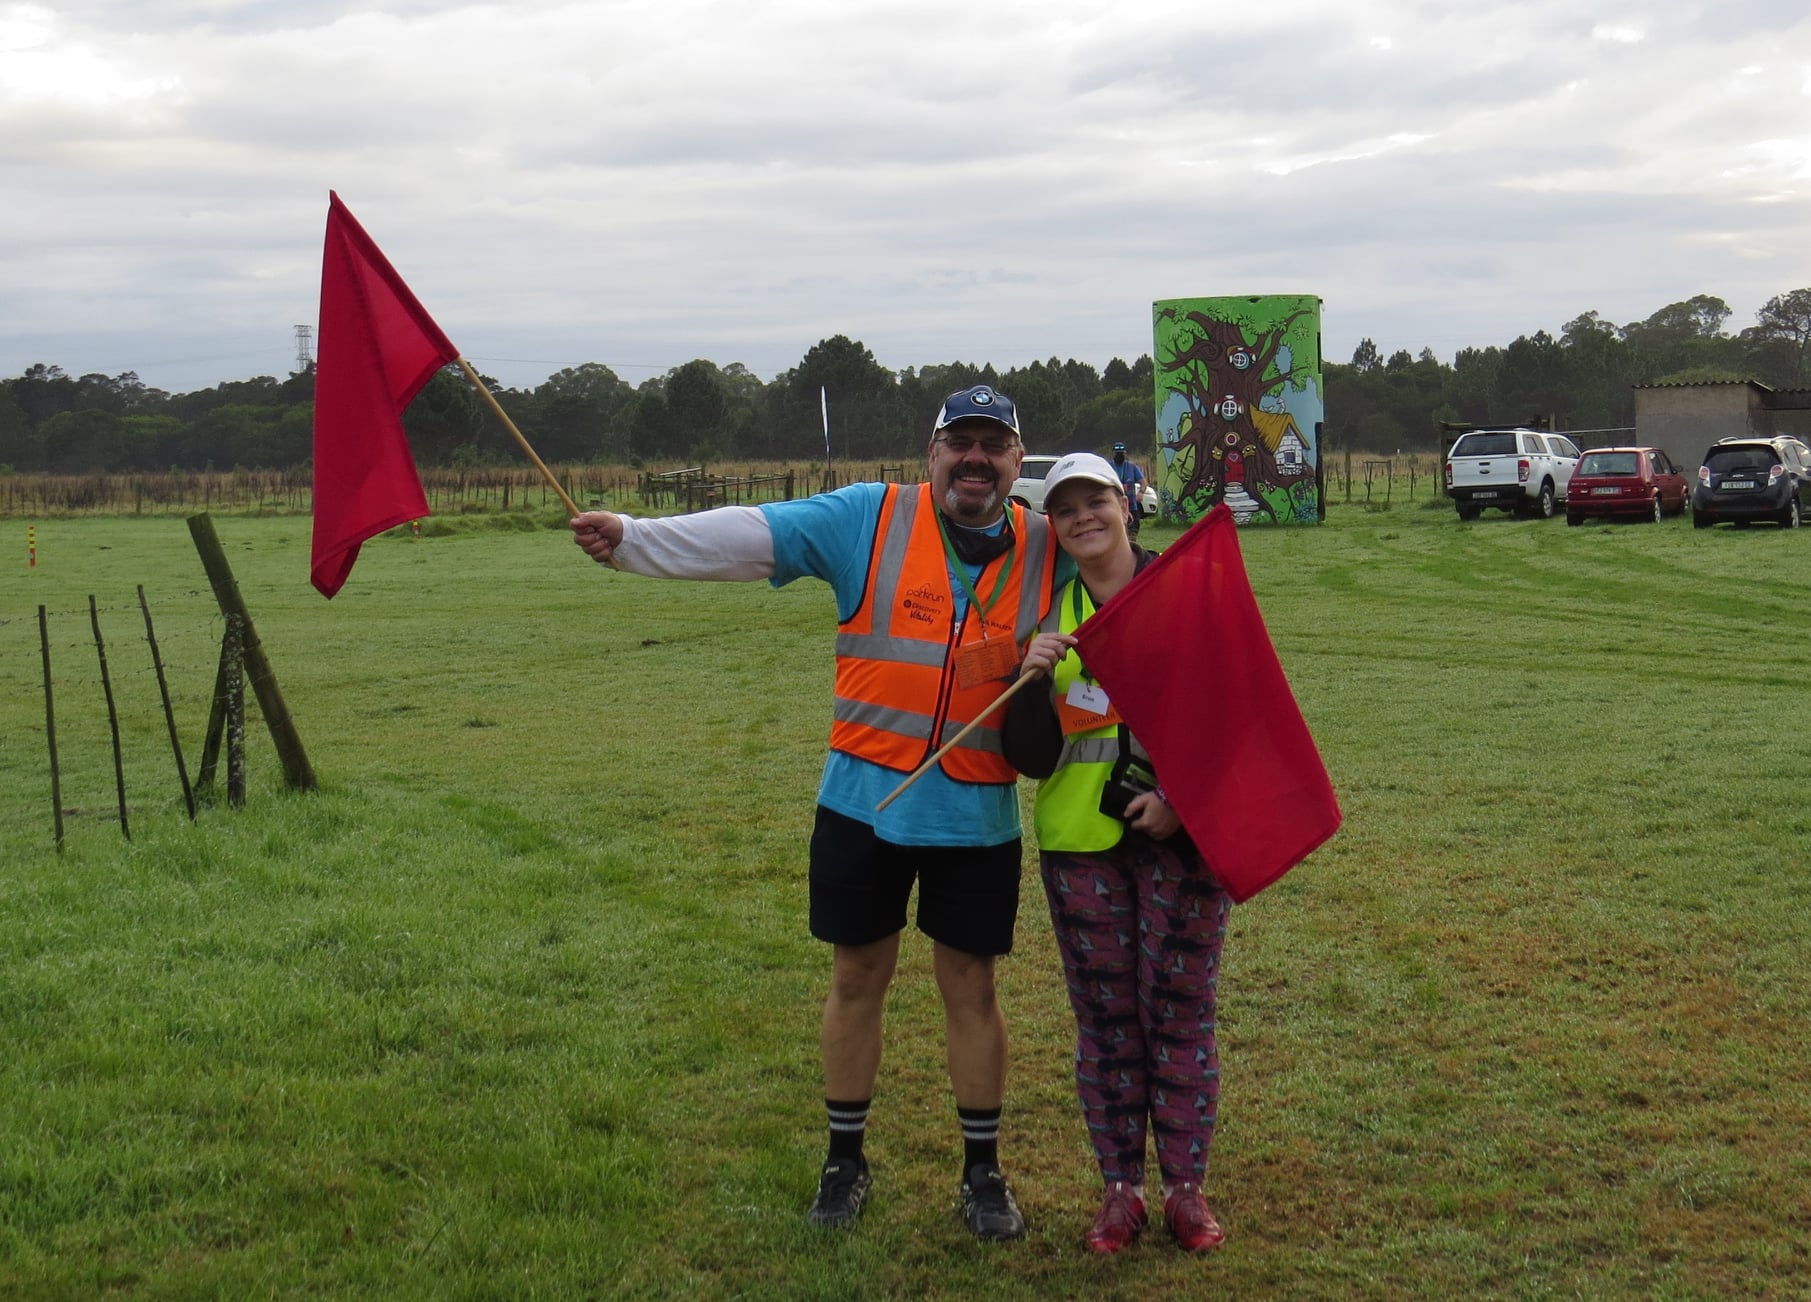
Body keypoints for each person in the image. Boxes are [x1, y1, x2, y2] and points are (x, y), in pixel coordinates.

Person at [571, 385, 1063, 1242]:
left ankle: (982, 1174)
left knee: (972, 989)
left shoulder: (1047, 545)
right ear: (932, 453)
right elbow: (754, 534)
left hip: (976, 813)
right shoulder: (869, 517)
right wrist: (635, 538)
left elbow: (1128, 578)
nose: (975, 460)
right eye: (960, 442)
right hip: (860, 806)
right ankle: (844, 1161)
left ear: (1017, 462)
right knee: (855, 978)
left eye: (994, 445)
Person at [1001, 452, 1233, 1256]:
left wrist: (1178, 799)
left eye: (1095, 501)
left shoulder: (1189, 592)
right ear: (1054, 527)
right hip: (1080, 847)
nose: (1083, 518)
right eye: (1065, 509)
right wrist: (1031, 682)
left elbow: (1232, 714)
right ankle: (1119, 1193)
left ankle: (1185, 1192)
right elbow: (1030, 758)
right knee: (1105, 1023)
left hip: (1183, 842)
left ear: (1125, 505)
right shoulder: (1048, 617)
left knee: (1179, 1014)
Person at [1110, 443, 1147, 537]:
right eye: (1117, 453)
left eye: (1121, 453)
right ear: (1113, 454)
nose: (1119, 455)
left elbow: (1143, 482)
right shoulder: (1108, 467)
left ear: (1125, 453)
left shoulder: (1132, 467)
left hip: (1132, 506)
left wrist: (1141, 492)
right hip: (1114, 506)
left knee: (1132, 534)